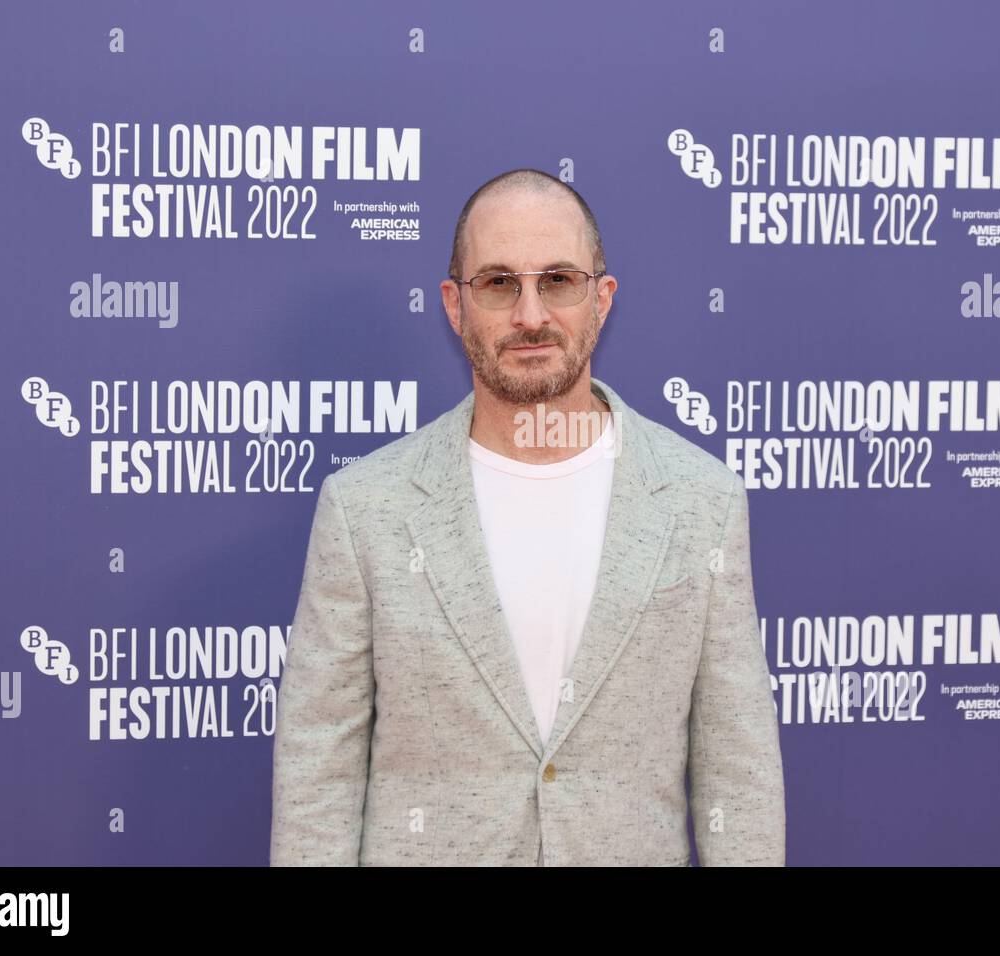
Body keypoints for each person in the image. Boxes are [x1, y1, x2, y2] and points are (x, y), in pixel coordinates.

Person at [269, 168, 785, 866]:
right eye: (499, 282)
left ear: (602, 299)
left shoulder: (701, 500)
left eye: (559, 280)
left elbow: (738, 768)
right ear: (455, 305)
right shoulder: (367, 509)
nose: (531, 315)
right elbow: (317, 773)